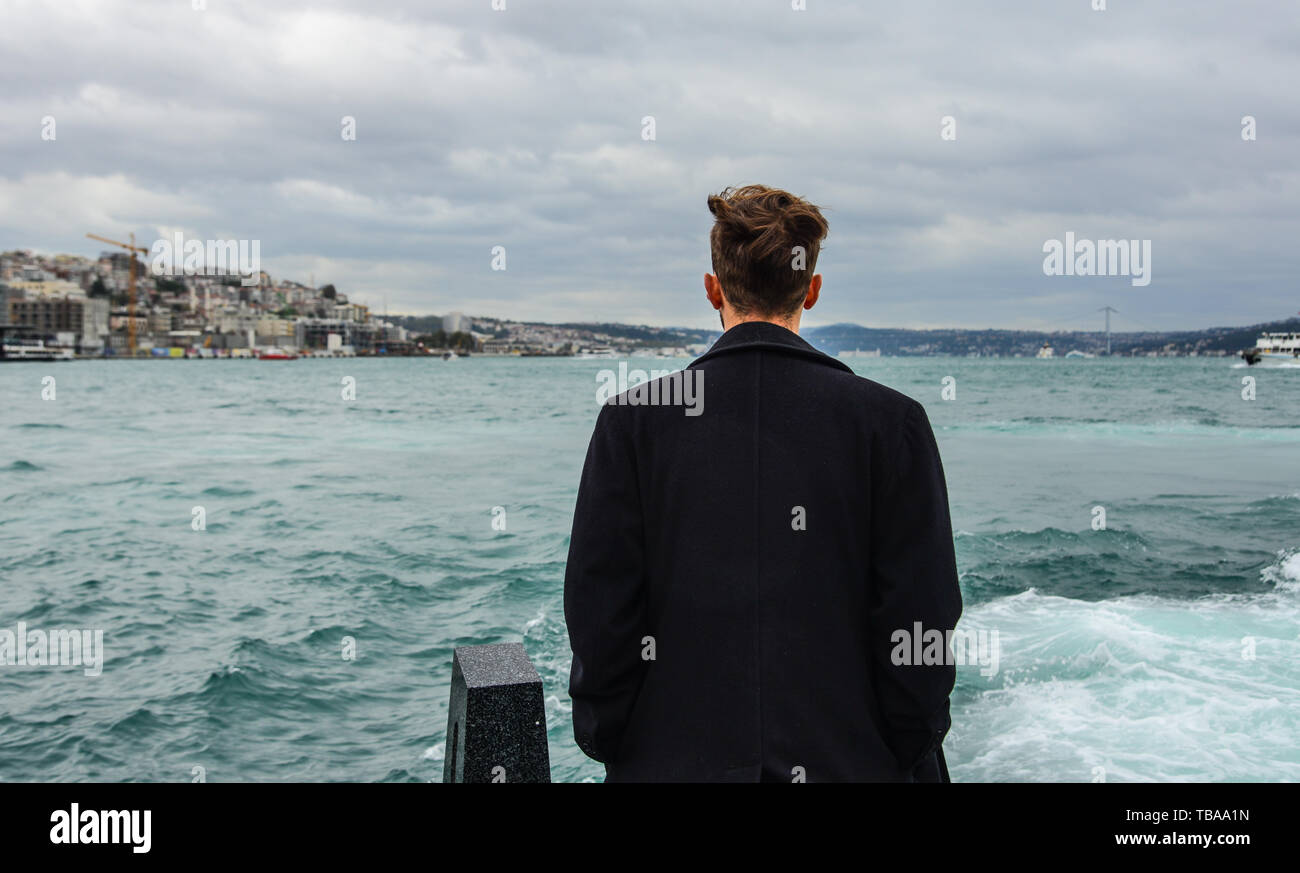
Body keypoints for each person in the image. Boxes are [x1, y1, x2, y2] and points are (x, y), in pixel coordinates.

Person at [563, 185, 962, 782]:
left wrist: (612, 737)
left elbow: (601, 611)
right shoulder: (892, 423)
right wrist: (905, 746)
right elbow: (921, 617)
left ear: (712, 288)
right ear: (813, 289)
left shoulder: (632, 422)